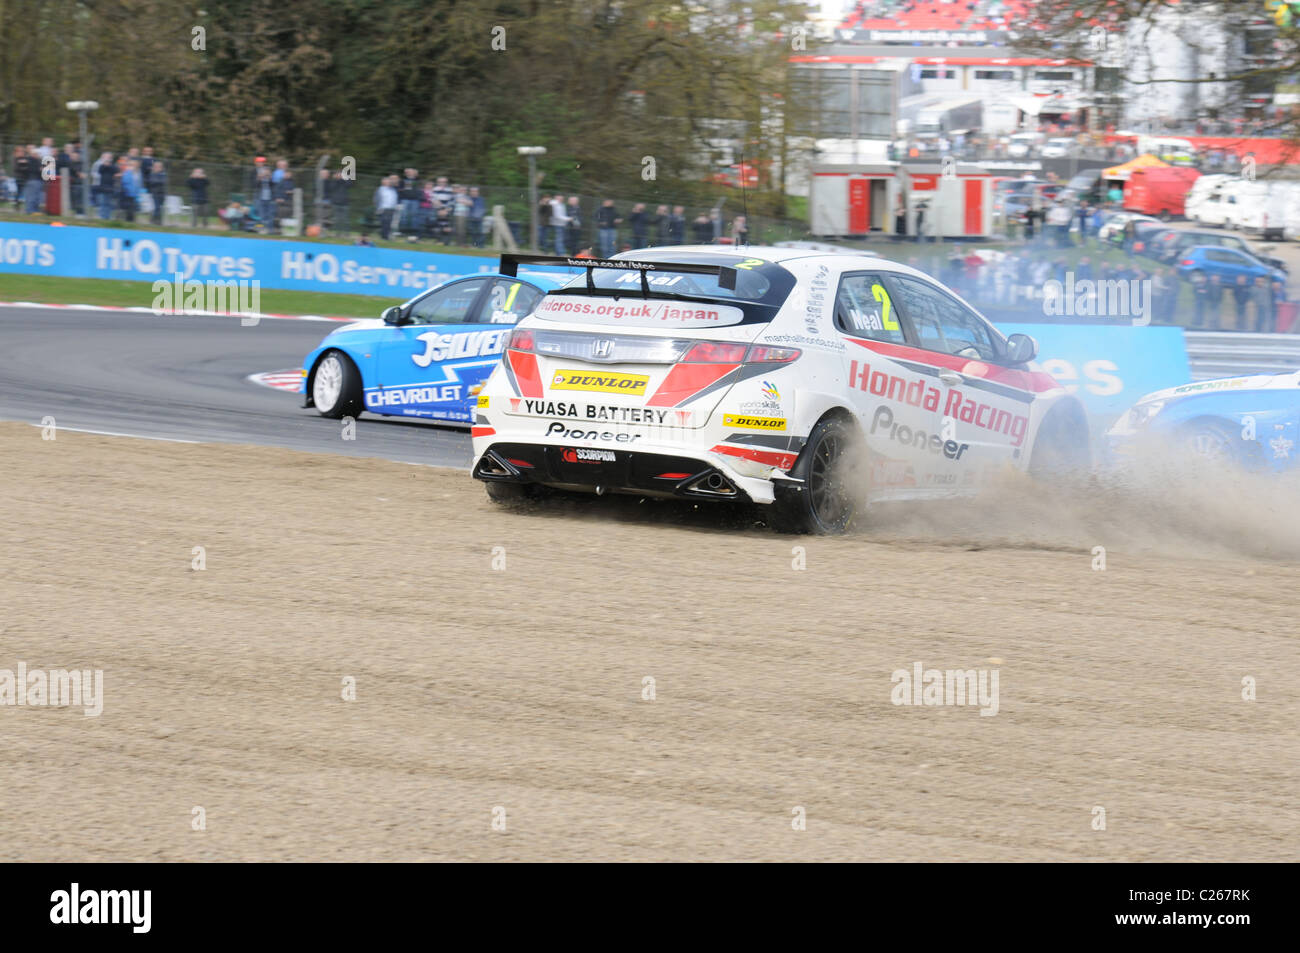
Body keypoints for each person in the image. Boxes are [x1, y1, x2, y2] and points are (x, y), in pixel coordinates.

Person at [374, 174, 398, 240]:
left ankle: (386, 235)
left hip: (391, 208)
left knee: (389, 223)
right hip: (384, 208)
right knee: (385, 222)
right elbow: (376, 199)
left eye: (388, 181)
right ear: (383, 182)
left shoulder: (393, 189)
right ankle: (384, 236)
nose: (388, 182)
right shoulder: (380, 189)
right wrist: (378, 208)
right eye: (387, 181)